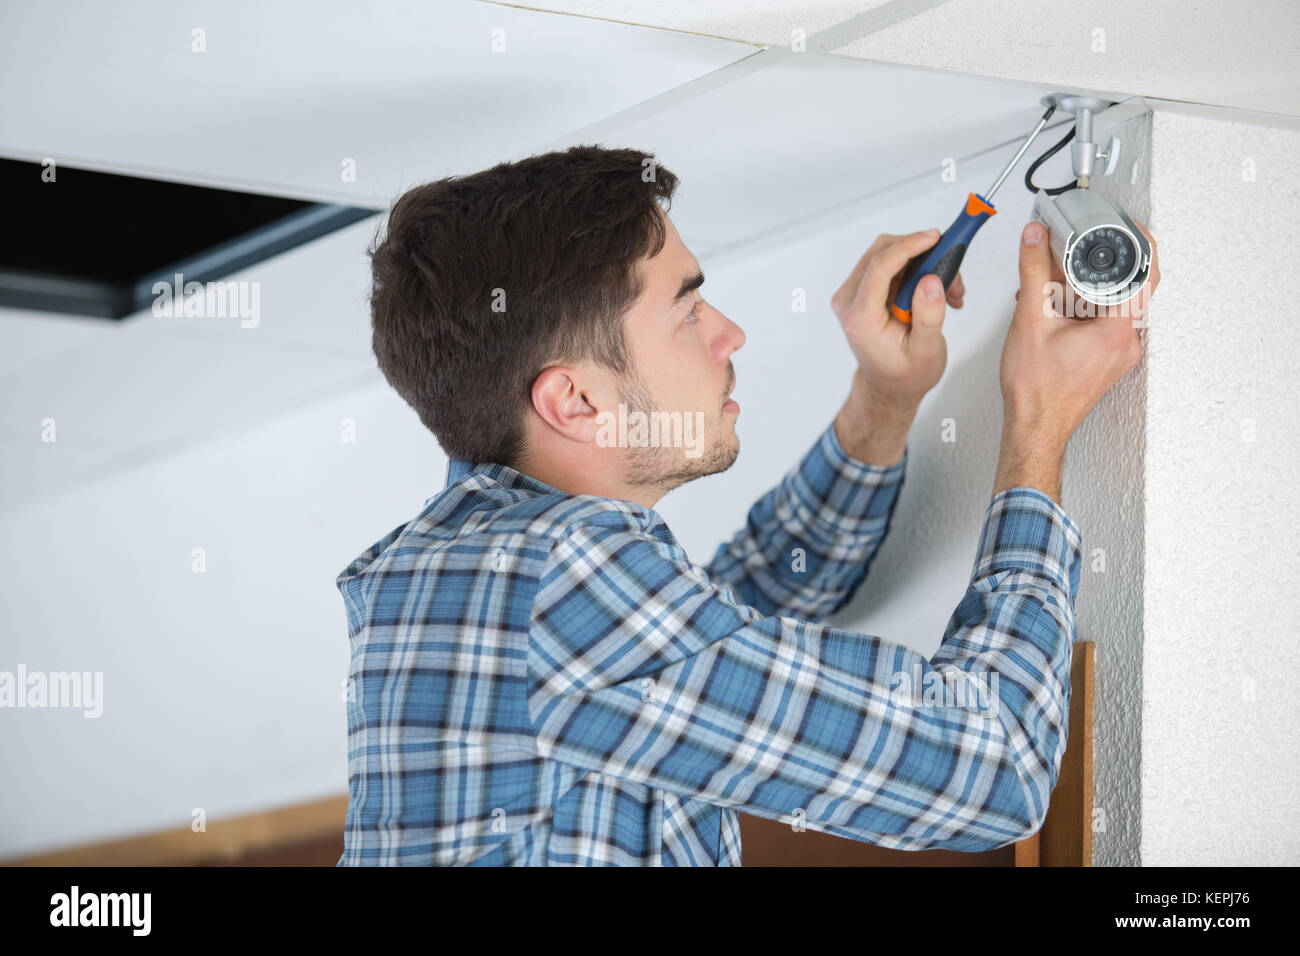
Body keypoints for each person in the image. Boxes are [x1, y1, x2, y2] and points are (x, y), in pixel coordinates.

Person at [336, 145, 1160, 866]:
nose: (730, 334)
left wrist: (885, 397)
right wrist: (1039, 422)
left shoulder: (475, 566)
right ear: (575, 400)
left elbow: (745, 614)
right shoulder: (560, 579)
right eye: (689, 312)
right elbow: (994, 773)